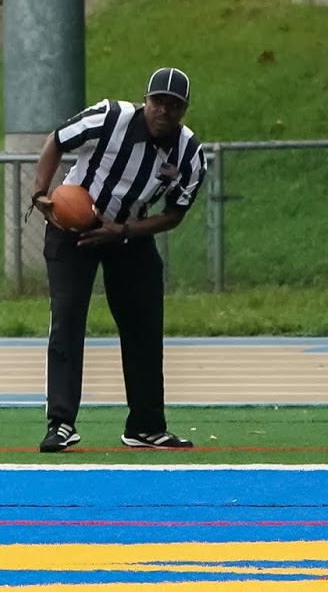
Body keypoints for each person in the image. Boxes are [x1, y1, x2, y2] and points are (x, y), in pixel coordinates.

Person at [30, 67, 207, 453]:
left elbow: (175, 214)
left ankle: (145, 426)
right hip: (72, 226)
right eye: (158, 101)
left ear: (184, 110)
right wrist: (41, 192)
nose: (164, 111)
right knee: (68, 317)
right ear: (146, 100)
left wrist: (123, 231)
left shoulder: (190, 153)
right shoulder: (110, 116)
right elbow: (57, 140)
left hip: (129, 232)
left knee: (144, 324)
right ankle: (61, 422)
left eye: (174, 105)